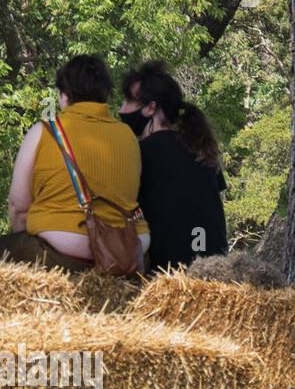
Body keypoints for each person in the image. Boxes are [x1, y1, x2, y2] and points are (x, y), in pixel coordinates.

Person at [2, 54, 147, 273]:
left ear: (65, 95)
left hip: (61, 253)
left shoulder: (45, 131)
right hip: (125, 252)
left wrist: (24, 250)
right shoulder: (129, 136)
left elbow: (18, 208)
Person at [120, 61, 228, 274]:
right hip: (214, 266)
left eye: (129, 101)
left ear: (151, 107)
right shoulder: (201, 148)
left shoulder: (140, 153)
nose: (121, 109)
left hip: (168, 273)